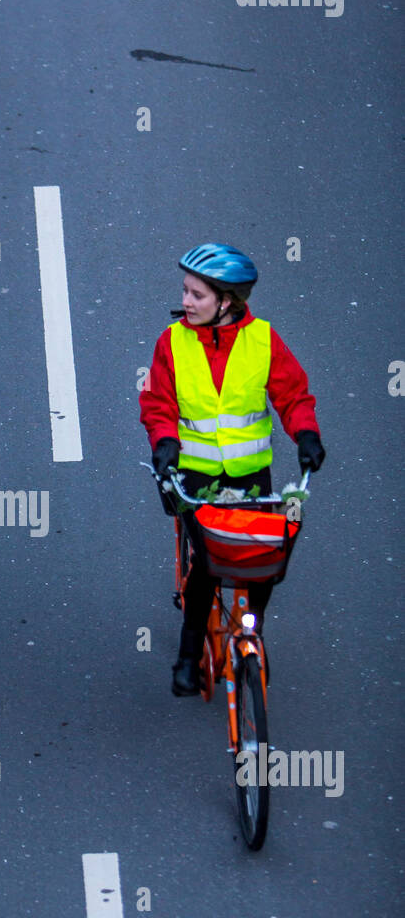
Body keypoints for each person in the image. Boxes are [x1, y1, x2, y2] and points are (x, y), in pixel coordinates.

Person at [140, 242, 325, 696]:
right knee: (207, 565)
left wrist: (306, 434)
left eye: (196, 295)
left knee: (263, 557)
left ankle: (251, 633)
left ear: (226, 301)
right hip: (194, 477)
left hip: (249, 477)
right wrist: (164, 442)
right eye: (185, 291)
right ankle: (187, 658)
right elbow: (159, 402)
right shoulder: (173, 342)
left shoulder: (262, 339)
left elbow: (292, 394)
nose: (186, 302)